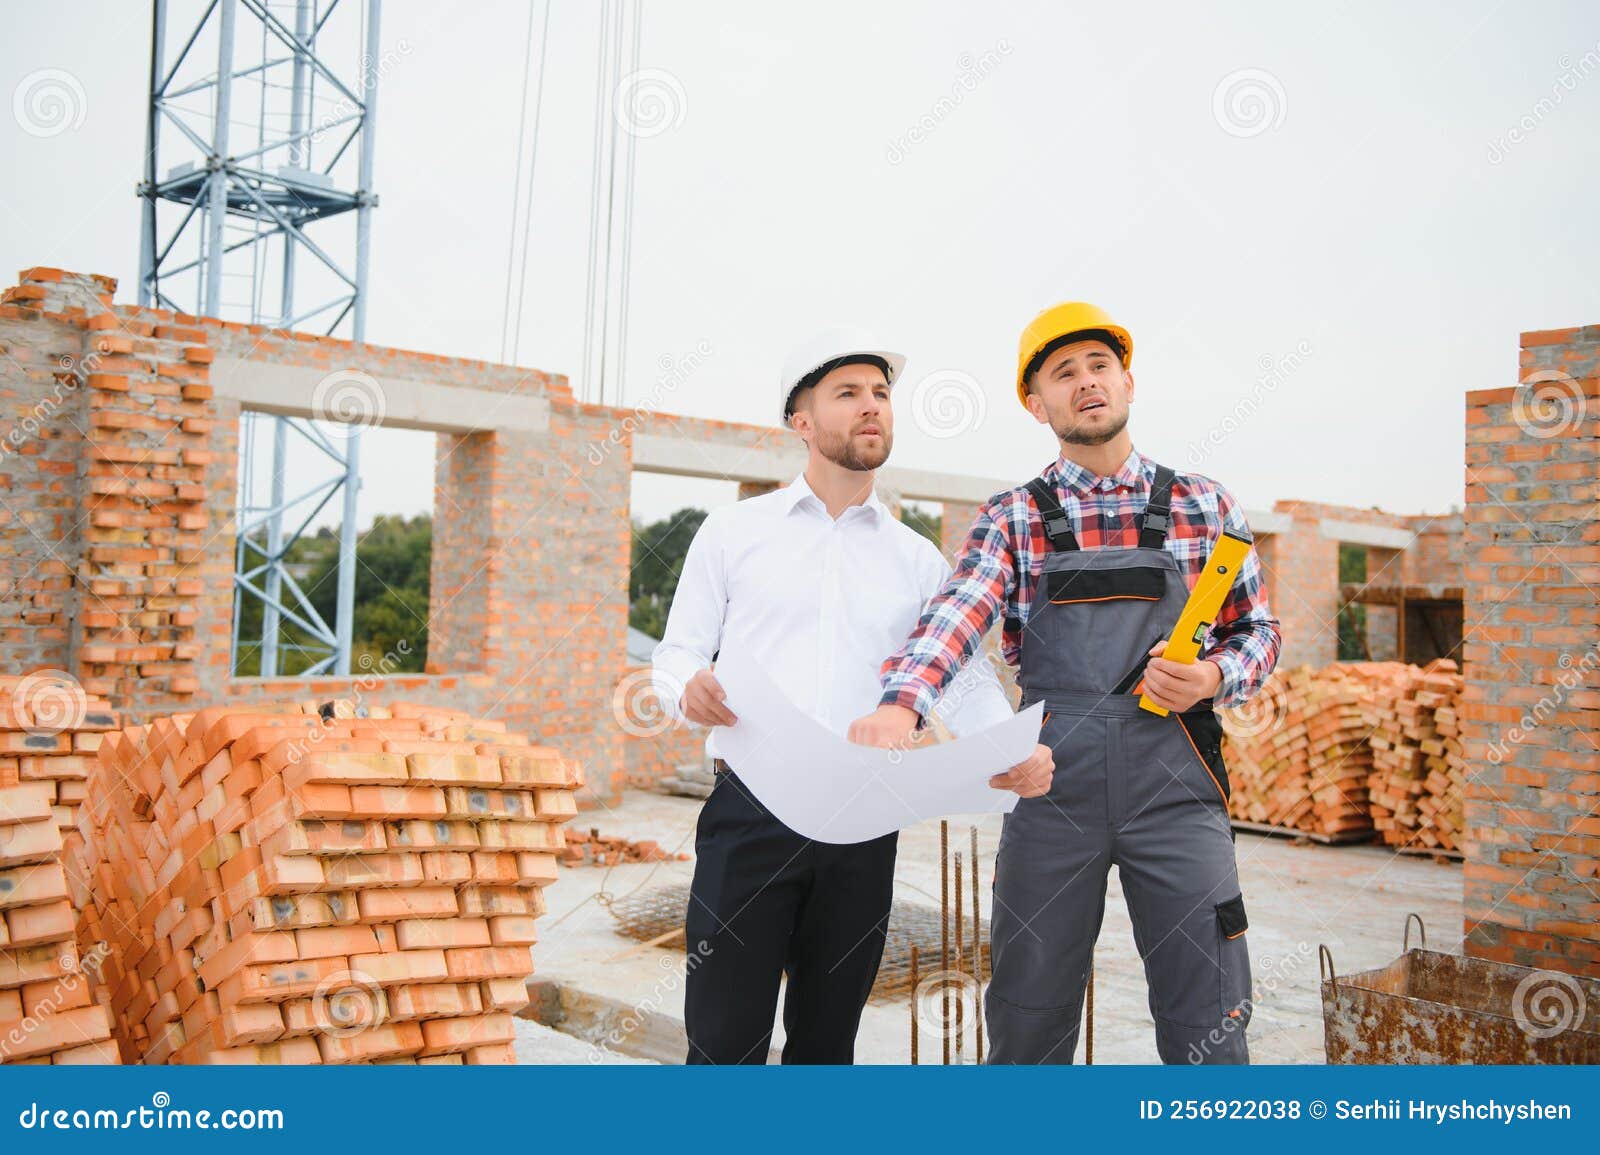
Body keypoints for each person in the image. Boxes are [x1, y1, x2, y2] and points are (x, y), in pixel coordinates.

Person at [848, 302, 1282, 1064]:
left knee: (1209, 1014)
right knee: (1028, 1012)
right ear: (1036, 402)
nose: (1086, 383)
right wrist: (902, 702)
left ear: (1128, 382)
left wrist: (1212, 674)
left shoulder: (1203, 504)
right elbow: (957, 613)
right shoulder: (1013, 517)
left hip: (1177, 792)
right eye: (1064, 373)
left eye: (1099, 366)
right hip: (1051, 789)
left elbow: (1260, 632)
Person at [651, 327, 1054, 1065]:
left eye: (881, 393)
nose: (872, 406)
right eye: (848, 393)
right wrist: (688, 688)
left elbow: (961, 676)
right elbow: (677, 651)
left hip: (863, 824)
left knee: (828, 1044)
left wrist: (1007, 747)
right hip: (751, 813)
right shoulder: (734, 533)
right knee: (722, 1041)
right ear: (800, 420)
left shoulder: (917, 559)